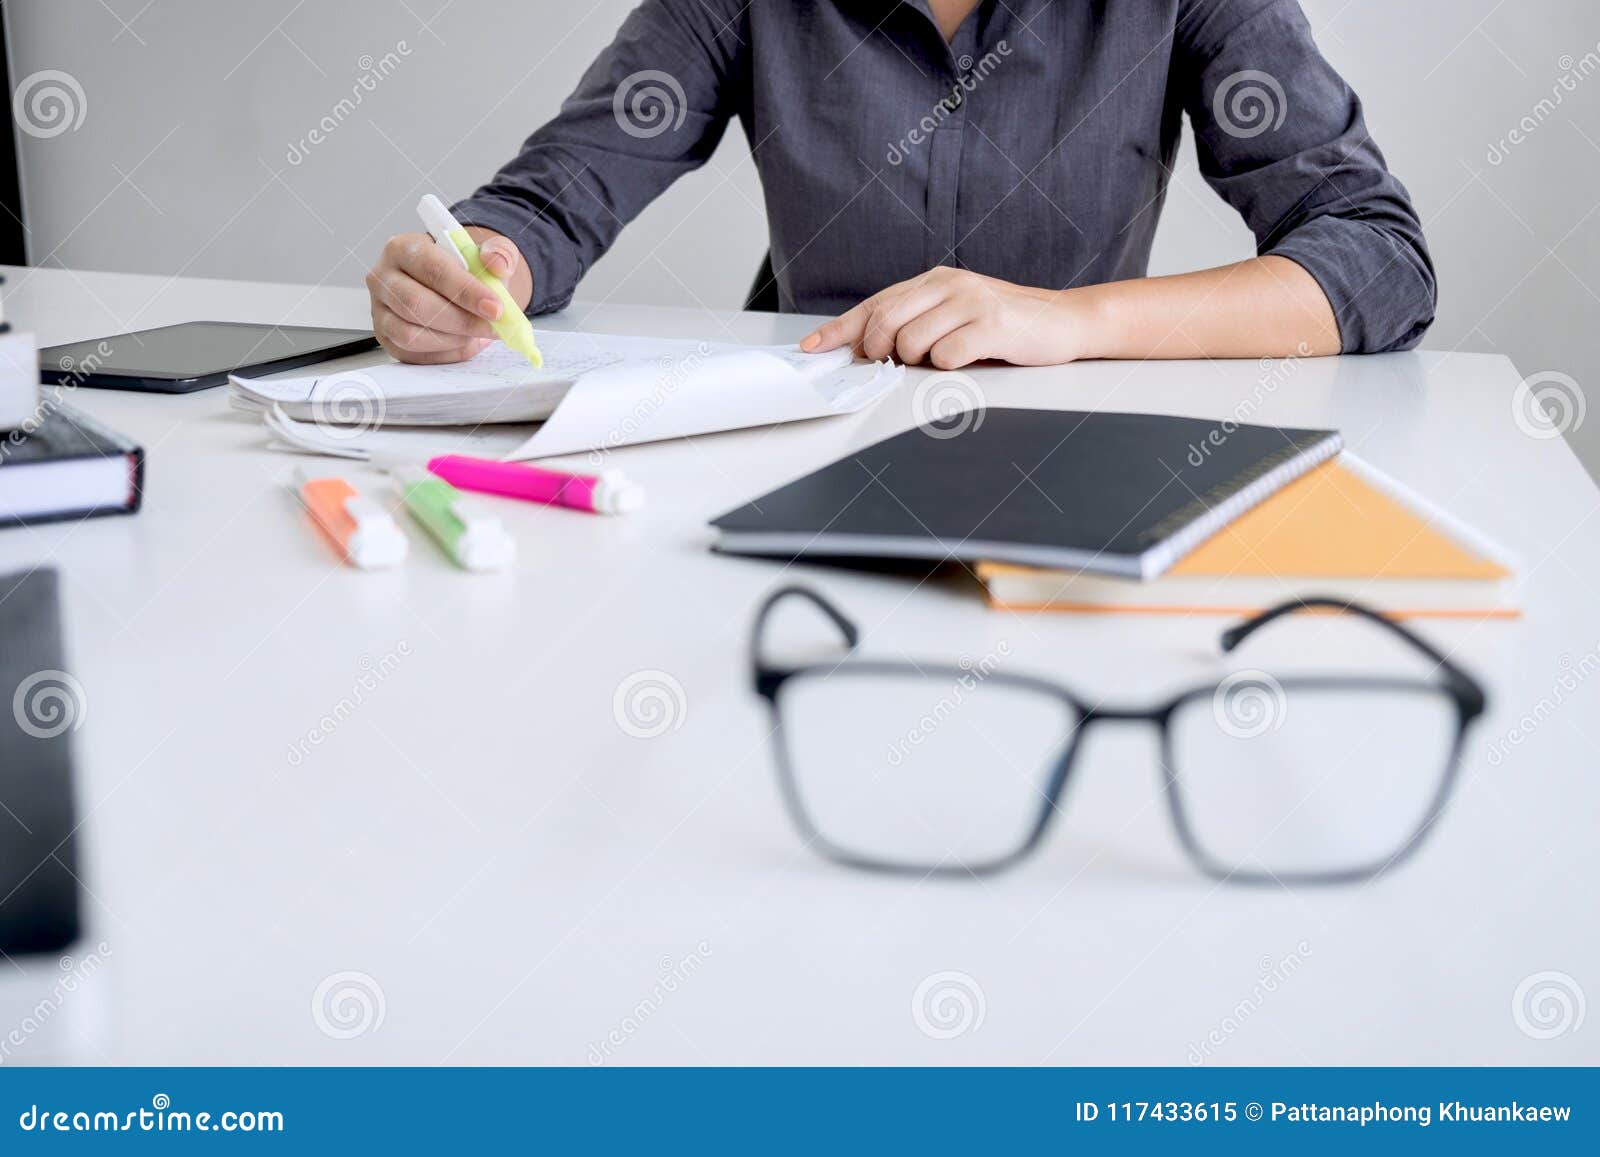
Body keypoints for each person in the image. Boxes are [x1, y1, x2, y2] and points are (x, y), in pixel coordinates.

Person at [366, 0, 1433, 371]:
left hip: (1078, 435)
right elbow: (554, 200)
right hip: (799, 439)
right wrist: (482, 263)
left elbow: (1373, 259)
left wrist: (1070, 322)